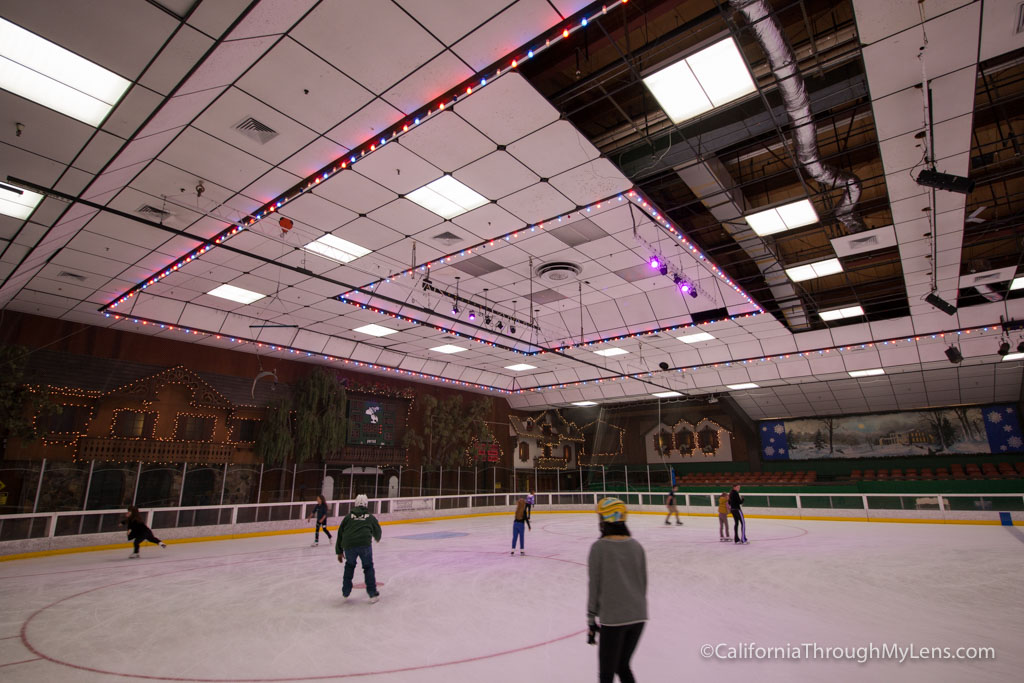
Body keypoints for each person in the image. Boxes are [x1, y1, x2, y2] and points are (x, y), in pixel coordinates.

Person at [588, 497, 647, 683]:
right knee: (622, 665)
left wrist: (591, 620)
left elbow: (594, 585)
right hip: (639, 617)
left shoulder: (599, 548)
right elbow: (643, 583)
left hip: (614, 620)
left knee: (606, 674)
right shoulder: (637, 546)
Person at [336, 494, 382, 603]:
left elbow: (340, 533)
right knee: (368, 567)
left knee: (350, 565)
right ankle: (372, 594)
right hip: (364, 544)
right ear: (366, 504)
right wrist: (377, 537)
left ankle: (346, 591)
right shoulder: (370, 517)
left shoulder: (348, 517)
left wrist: (339, 551)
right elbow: (377, 529)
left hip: (349, 545)